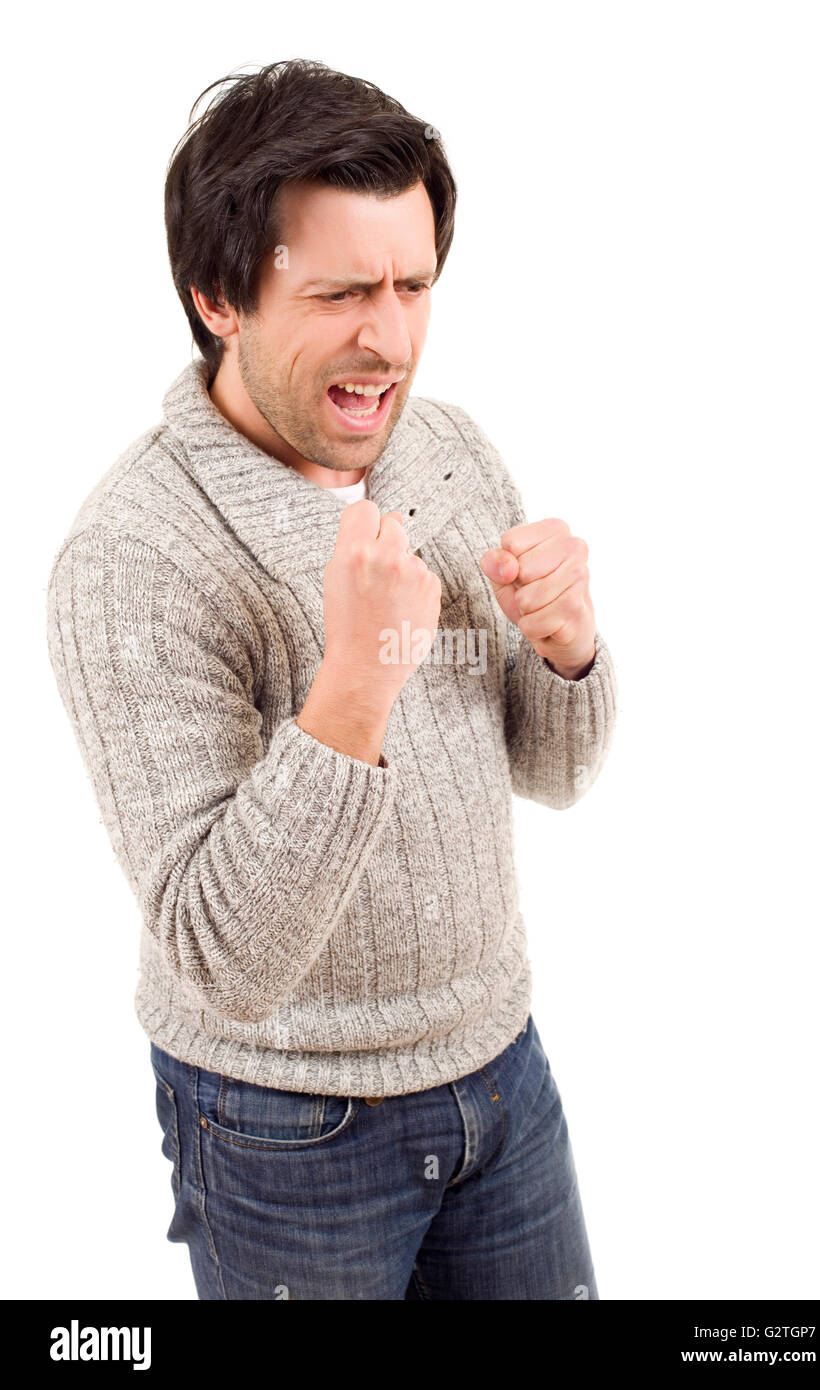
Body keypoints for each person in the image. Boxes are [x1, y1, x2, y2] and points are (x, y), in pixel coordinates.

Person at [45, 58, 618, 1301]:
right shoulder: (135, 557)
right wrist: (352, 687)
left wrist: (567, 648)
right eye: (343, 292)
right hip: (282, 1131)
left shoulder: (448, 446)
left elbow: (554, 772)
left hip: (499, 1067)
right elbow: (217, 952)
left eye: (413, 285)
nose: (391, 338)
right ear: (217, 298)